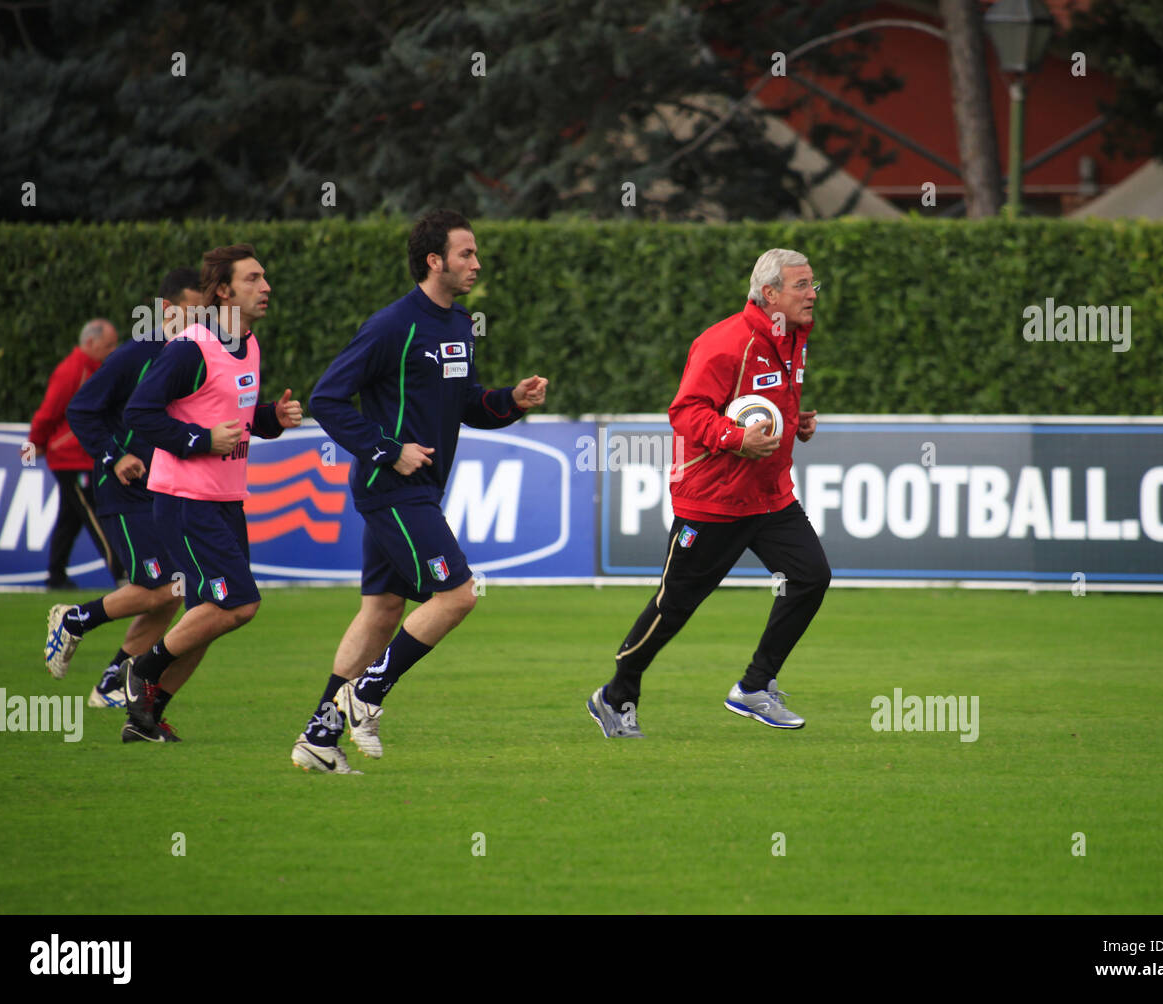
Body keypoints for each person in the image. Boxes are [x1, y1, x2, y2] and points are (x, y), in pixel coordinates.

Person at [290, 209, 548, 774]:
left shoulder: (459, 324)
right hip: (392, 487)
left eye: (475, 254)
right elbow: (327, 399)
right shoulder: (391, 325)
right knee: (457, 596)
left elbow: (466, 403)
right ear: (434, 261)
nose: (476, 264)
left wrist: (510, 401)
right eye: (466, 254)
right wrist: (388, 449)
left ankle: (318, 737)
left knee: (382, 610)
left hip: (421, 490)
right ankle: (366, 695)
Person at [588, 248, 830, 738]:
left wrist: (791, 426)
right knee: (674, 606)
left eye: (813, 285)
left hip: (769, 495)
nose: (812, 295)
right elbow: (686, 412)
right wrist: (738, 437)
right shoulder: (724, 342)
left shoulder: (794, 338)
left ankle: (755, 686)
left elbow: (756, 402)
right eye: (801, 286)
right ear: (770, 294)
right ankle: (616, 694)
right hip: (714, 500)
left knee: (811, 577)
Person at [119, 244, 301, 743]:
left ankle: (143, 721)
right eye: (253, 279)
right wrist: (198, 441)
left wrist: (270, 420)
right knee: (238, 604)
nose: (266, 287)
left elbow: (233, 418)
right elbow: (140, 413)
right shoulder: (191, 347)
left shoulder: (250, 344)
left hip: (225, 499)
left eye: (265, 278)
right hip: (186, 499)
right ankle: (140, 669)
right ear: (223, 290)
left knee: (211, 616)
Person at [48, 269, 204, 729]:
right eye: (193, 310)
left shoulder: (196, 357)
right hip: (124, 489)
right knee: (158, 587)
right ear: (167, 310)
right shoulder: (136, 354)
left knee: (173, 592)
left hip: (164, 491)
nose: (202, 319)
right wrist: (115, 456)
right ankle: (74, 619)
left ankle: (114, 681)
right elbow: (81, 408)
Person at [29, 318, 123, 589]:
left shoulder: (95, 369)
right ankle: (122, 573)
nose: (113, 350)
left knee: (70, 518)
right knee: (96, 514)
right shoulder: (73, 370)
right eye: (109, 345)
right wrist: (35, 443)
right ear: (90, 343)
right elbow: (48, 412)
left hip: (81, 455)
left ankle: (55, 576)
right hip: (72, 458)